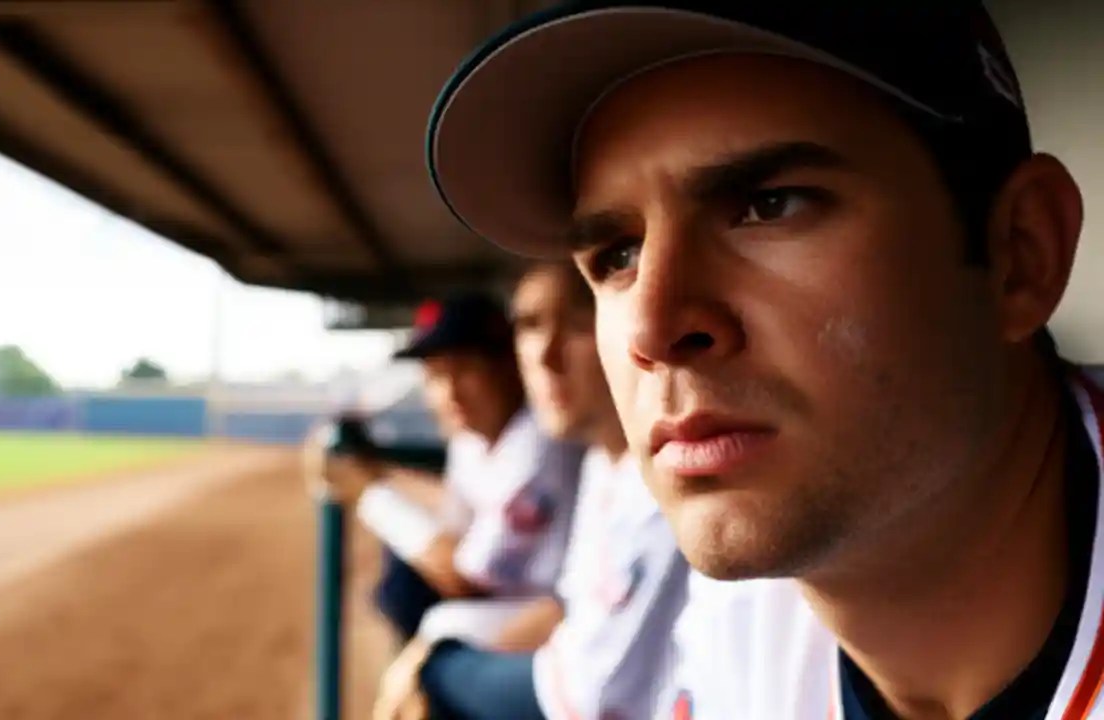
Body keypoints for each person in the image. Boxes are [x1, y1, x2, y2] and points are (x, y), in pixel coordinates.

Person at [426, 2, 1097, 718]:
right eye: (617, 255)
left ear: (1019, 256)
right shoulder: (737, 618)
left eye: (770, 205)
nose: (651, 328)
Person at [374, 263, 687, 720]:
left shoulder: (662, 474)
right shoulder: (601, 460)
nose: (545, 354)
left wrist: (434, 665)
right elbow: (565, 611)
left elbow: (589, 698)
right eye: (530, 326)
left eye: (578, 322)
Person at [309, 291, 583, 643]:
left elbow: (466, 579)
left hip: (562, 621)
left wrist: (370, 495)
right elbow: (456, 526)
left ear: (509, 367)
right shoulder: (472, 439)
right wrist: (380, 476)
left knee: (436, 630)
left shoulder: (540, 441)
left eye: (465, 370)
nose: (451, 392)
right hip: (521, 607)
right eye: (436, 375)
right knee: (404, 582)